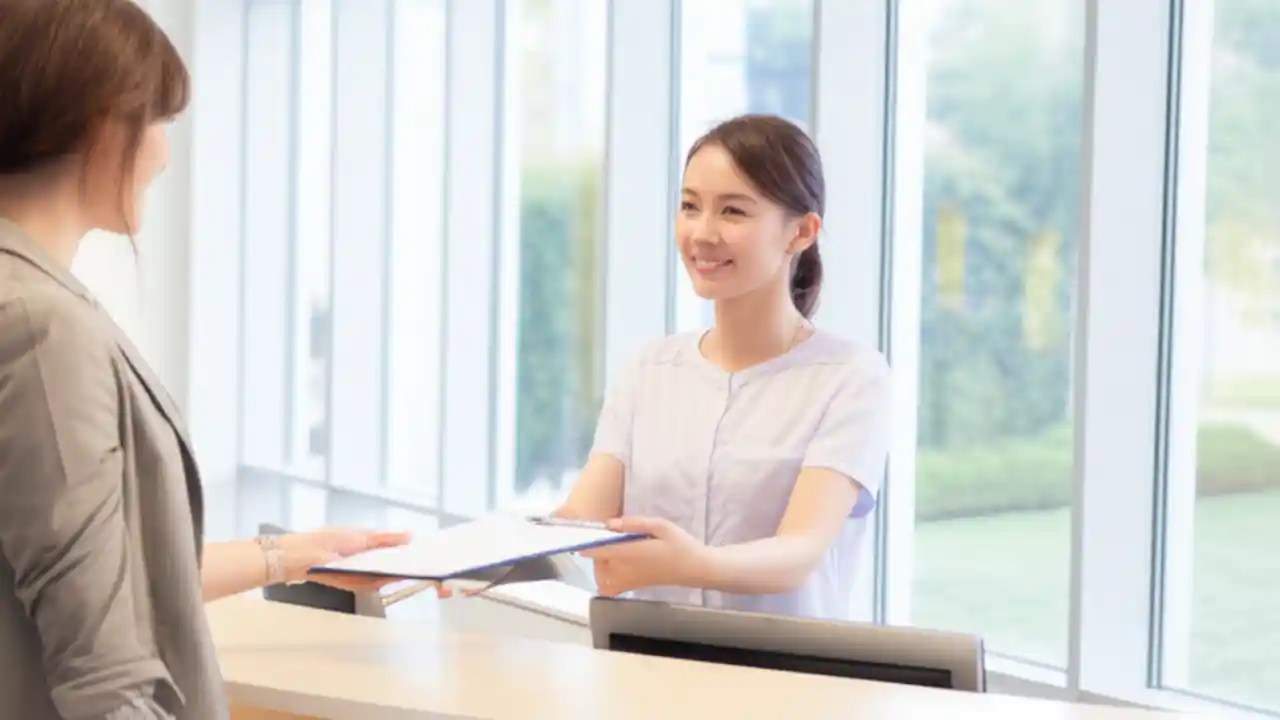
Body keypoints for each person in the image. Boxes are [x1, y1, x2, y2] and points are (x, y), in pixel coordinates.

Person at [0, 2, 422, 718]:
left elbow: (103, 571)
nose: (164, 152)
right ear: (101, 120)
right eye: (158, 120)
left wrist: (294, 555)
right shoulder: (43, 327)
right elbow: (103, 672)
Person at [559, 114, 892, 621]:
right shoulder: (650, 368)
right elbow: (577, 521)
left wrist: (691, 563)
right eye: (690, 206)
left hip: (787, 681)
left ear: (801, 231)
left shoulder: (850, 376)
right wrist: (461, 557)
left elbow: (800, 551)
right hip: (649, 670)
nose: (702, 233)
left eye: (733, 211)